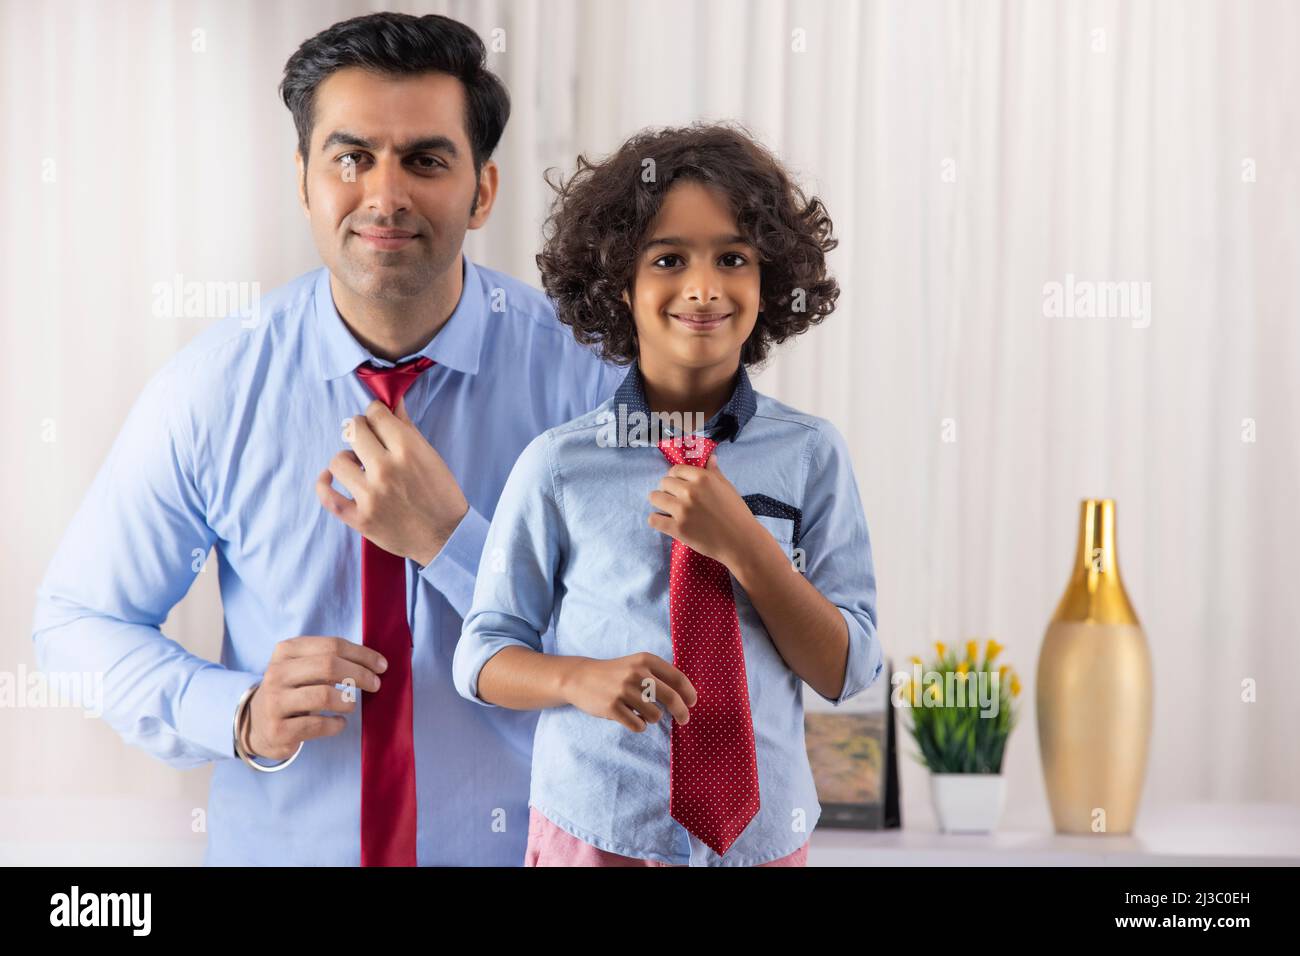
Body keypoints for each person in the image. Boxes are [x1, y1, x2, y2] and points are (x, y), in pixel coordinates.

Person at [31, 11, 620, 866]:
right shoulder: (214, 388)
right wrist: (232, 710)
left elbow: (655, 645)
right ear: (304, 180)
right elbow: (77, 621)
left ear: (483, 191)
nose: (386, 195)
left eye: (425, 159)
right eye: (350, 158)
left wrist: (453, 543)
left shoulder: (589, 387)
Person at [452, 123, 884, 866]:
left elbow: (847, 670)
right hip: (597, 830)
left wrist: (747, 547)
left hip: (761, 840)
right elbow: (482, 655)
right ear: (621, 283)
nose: (703, 288)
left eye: (733, 258)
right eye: (668, 259)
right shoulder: (559, 465)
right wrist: (576, 679)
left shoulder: (813, 456)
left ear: (768, 281)